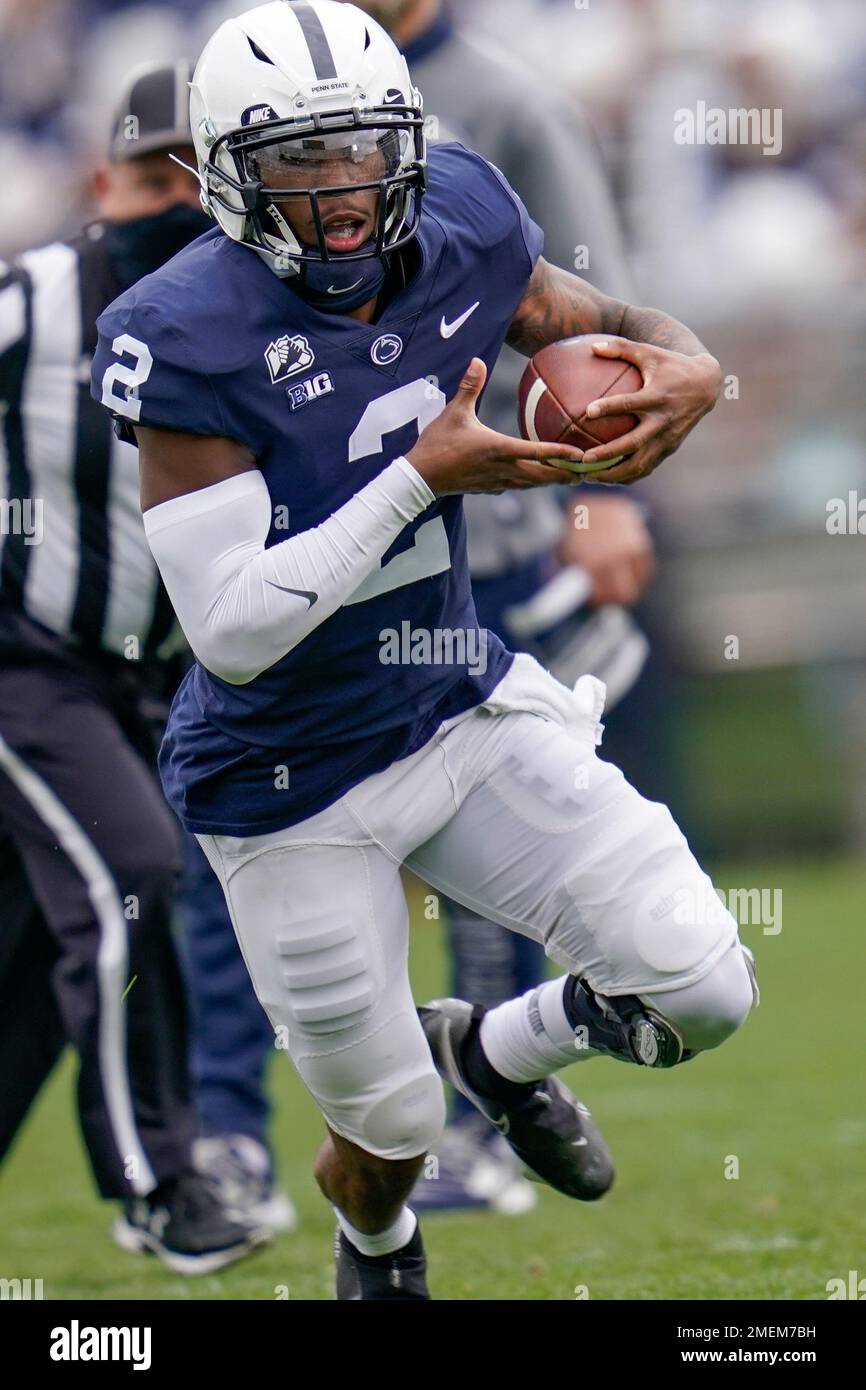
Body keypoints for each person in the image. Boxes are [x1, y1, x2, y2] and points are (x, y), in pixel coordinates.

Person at [92, 1, 758, 1301]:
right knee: (385, 1130)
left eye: (361, 150)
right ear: (227, 171)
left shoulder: (459, 211)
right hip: (286, 781)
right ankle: (381, 1245)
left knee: (700, 986)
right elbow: (228, 631)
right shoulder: (184, 330)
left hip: (449, 702)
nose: (342, 193)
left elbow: (587, 317)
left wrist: (683, 363)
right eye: (299, 161)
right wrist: (417, 477)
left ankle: (502, 1051)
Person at [340, 0, 658, 1213]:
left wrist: (606, 494)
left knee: (487, 794)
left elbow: (598, 310)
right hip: (366, 512)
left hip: (506, 507)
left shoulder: (508, 97)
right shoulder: (299, 97)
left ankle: (481, 1103)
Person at [0, 60, 265, 1274]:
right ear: (101, 179)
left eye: (194, 174)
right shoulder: (34, 301)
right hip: (26, 666)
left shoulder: (255, 309)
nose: (175, 198)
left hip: (150, 681)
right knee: (132, 881)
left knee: (26, 948)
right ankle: (161, 1181)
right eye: (151, 172)